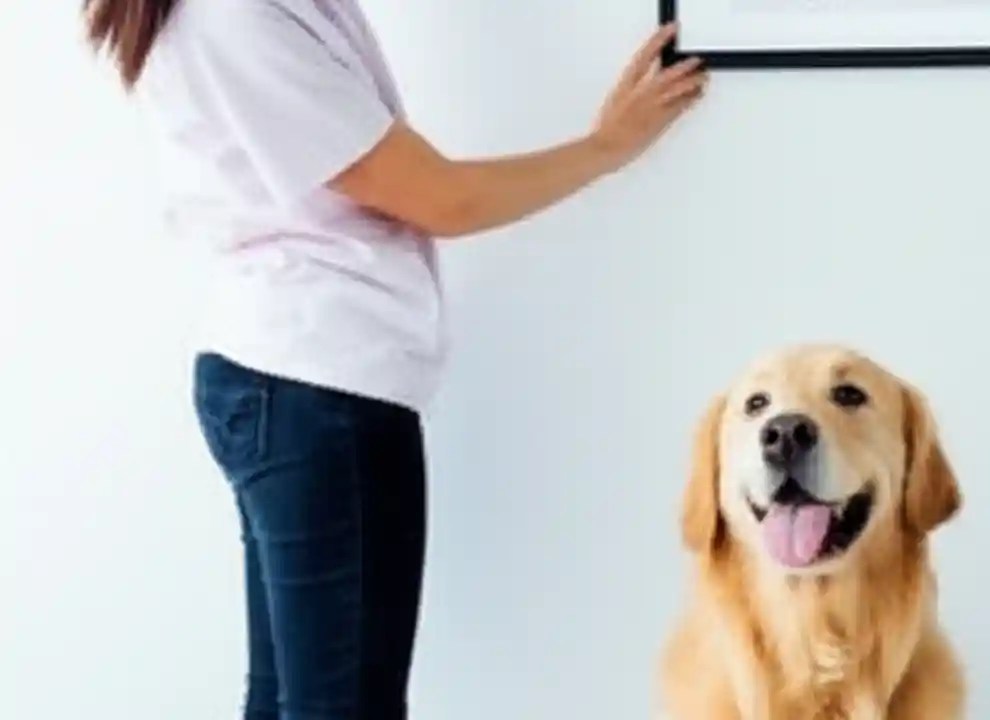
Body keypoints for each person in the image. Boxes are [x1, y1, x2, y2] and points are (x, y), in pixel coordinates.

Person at [82, 1, 706, 718]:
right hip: (316, 390)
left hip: (289, 377)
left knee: (296, 699)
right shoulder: (236, 19)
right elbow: (442, 197)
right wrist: (607, 147)